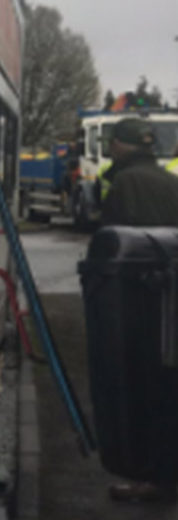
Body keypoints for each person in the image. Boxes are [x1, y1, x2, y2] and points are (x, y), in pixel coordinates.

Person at [99, 118, 178, 504]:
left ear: (119, 145)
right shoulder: (168, 180)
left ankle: (154, 477)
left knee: (146, 389)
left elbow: (112, 243)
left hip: (140, 302)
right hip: (171, 298)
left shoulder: (125, 184)